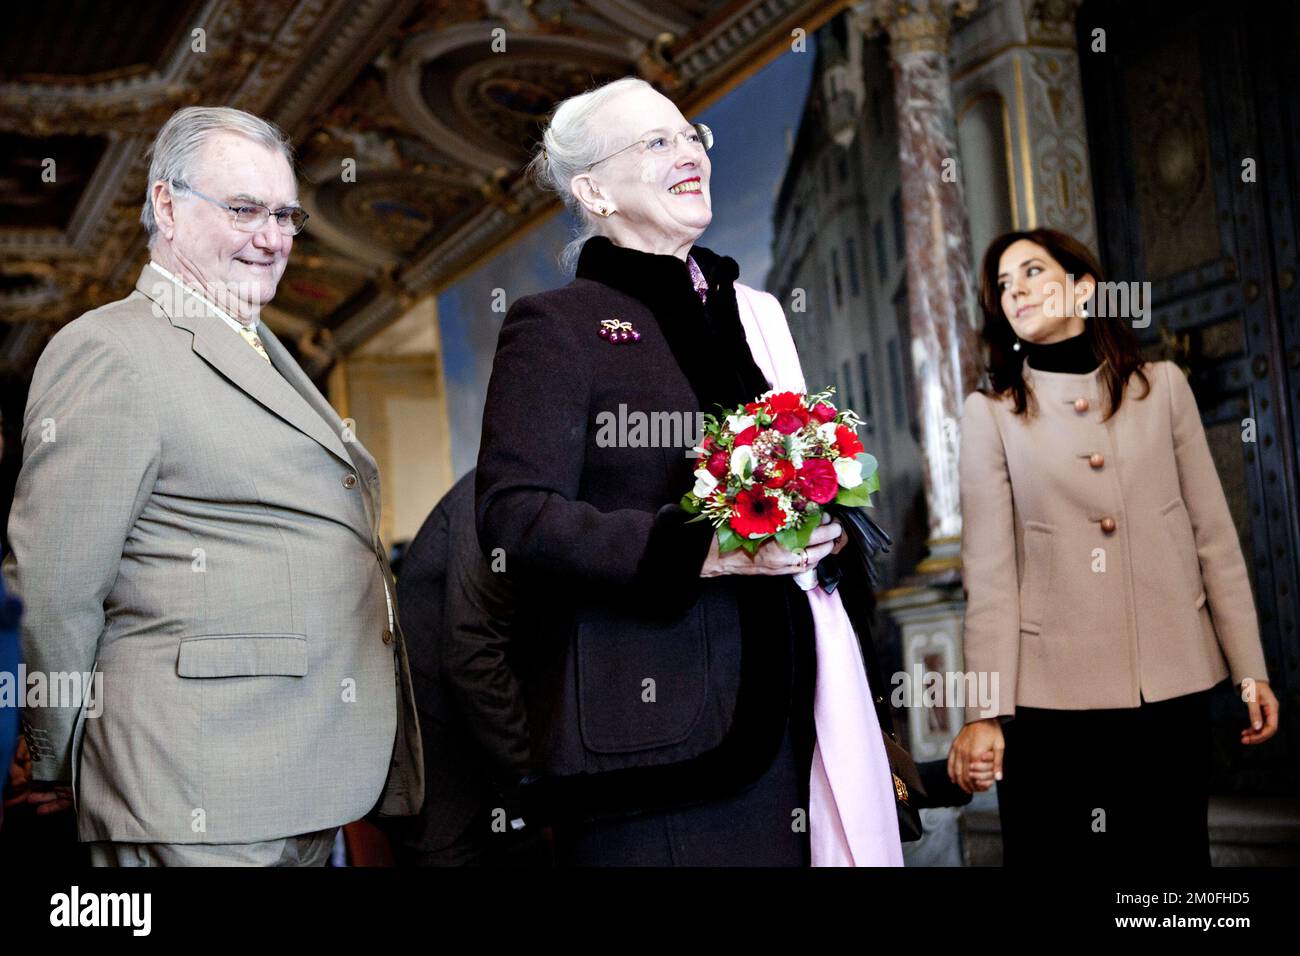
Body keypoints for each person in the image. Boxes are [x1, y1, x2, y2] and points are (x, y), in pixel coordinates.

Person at [475, 76, 903, 866]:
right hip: (660, 748)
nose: (689, 154)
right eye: (655, 142)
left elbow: (795, 482)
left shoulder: (752, 313)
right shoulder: (557, 327)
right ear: (593, 189)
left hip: (792, 715)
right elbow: (515, 515)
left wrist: (829, 526)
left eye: (690, 135)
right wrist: (702, 549)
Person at [6, 106, 423, 866]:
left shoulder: (263, 345)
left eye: (286, 215)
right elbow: (58, 583)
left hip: (293, 775)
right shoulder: (109, 349)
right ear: (165, 205)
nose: (272, 237)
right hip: (187, 786)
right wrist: (54, 757)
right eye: (244, 210)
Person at [948, 228, 1279, 866]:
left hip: (1171, 696)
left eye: (1033, 272)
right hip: (1049, 713)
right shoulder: (990, 415)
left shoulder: (1164, 389)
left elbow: (1213, 536)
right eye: (1003, 285)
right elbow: (987, 578)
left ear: (1084, 288)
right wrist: (985, 711)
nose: (1015, 291)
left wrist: (1251, 670)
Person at [385, 470, 547, 866]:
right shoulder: (494, 493)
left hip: (490, 760)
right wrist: (533, 780)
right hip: (443, 771)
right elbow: (473, 653)